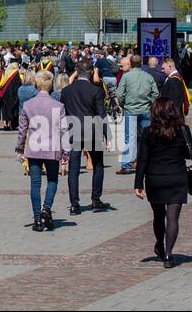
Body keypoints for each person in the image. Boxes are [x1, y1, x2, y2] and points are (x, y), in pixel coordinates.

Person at [134, 98, 192, 268]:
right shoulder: (182, 130)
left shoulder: (148, 132)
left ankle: (160, 246)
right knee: (173, 218)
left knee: (158, 216)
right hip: (177, 177)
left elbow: (143, 159)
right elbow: (191, 154)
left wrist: (138, 183)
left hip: (155, 178)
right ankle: (168, 255)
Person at [16, 70, 67, 232]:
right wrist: (66, 153)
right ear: (50, 85)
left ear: (36, 84)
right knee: (52, 180)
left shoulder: (28, 105)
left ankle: (37, 219)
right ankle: (46, 208)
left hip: (34, 148)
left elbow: (22, 130)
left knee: (35, 184)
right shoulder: (58, 106)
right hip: (52, 148)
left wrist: (19, 148)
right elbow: (64, 131)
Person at [59, 58, 109, 214]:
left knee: (73, 169)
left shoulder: (66, 91)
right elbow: (101, 114)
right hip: (92, 130)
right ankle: (95, 199)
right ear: (91, 72)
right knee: (98, 165)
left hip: (74, 130)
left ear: (77, 72)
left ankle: (74, 204)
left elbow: (63, 113)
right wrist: (107, 135)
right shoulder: (96, 90)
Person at [113, 54, 158, 173]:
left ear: (131, 64)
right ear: (141, 63)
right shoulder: (148, 76)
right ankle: (148, 162)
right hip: (145, 110)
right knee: (146, 137)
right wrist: (149, 103)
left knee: (129, 138)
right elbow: (156, 94)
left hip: (131, 110)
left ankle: (127, 164)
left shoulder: (126, 77)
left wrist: (123, 104)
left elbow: (119, 94)